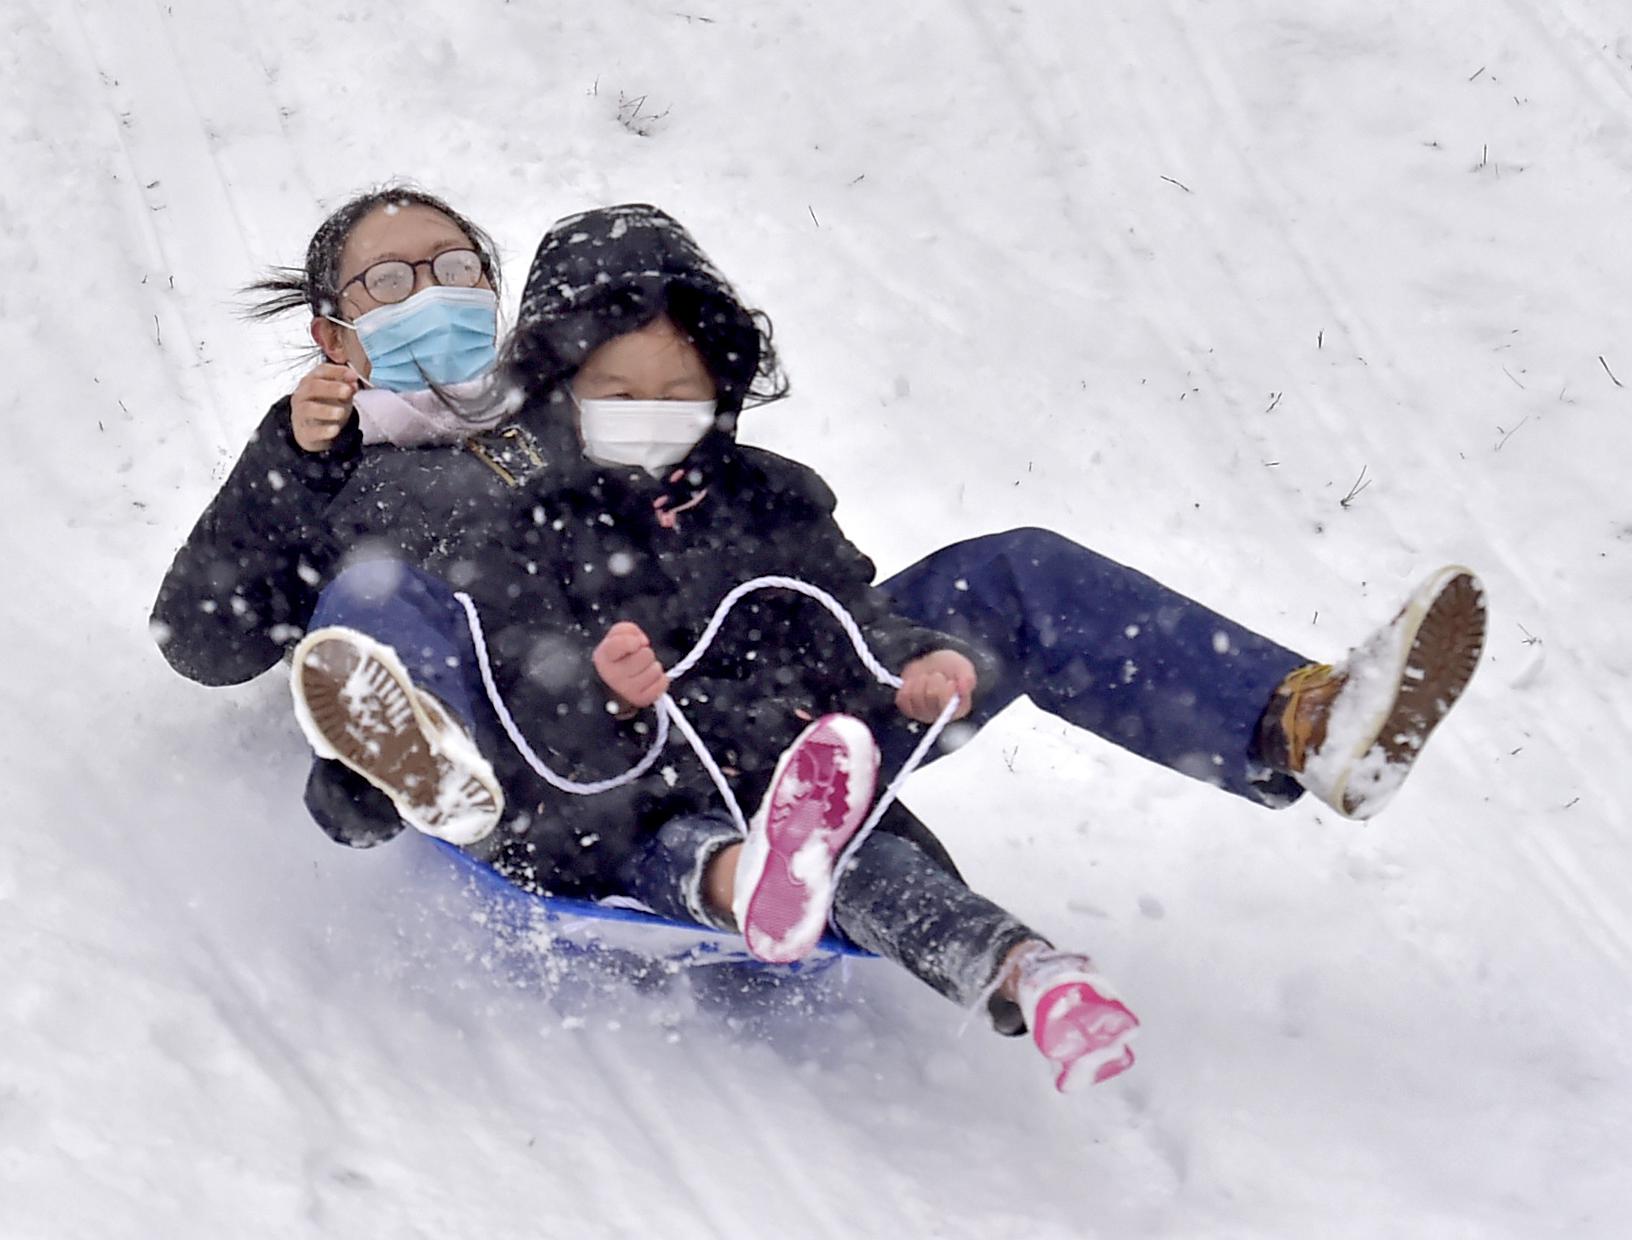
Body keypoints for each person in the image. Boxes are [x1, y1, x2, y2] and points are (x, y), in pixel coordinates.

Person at [151, 190, 1485, 1090]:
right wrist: (296, 458)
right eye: (390, 280)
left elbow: (792, 566)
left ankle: (1302, 724)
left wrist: (895, 663)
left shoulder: (617, 414)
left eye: (456, 269)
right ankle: (410, 758)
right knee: (387, 592)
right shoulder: (353, 464)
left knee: (1011, 574)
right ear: (333, 325)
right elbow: (204, 638)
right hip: (563, 753)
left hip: (760, 709)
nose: (432, 293)